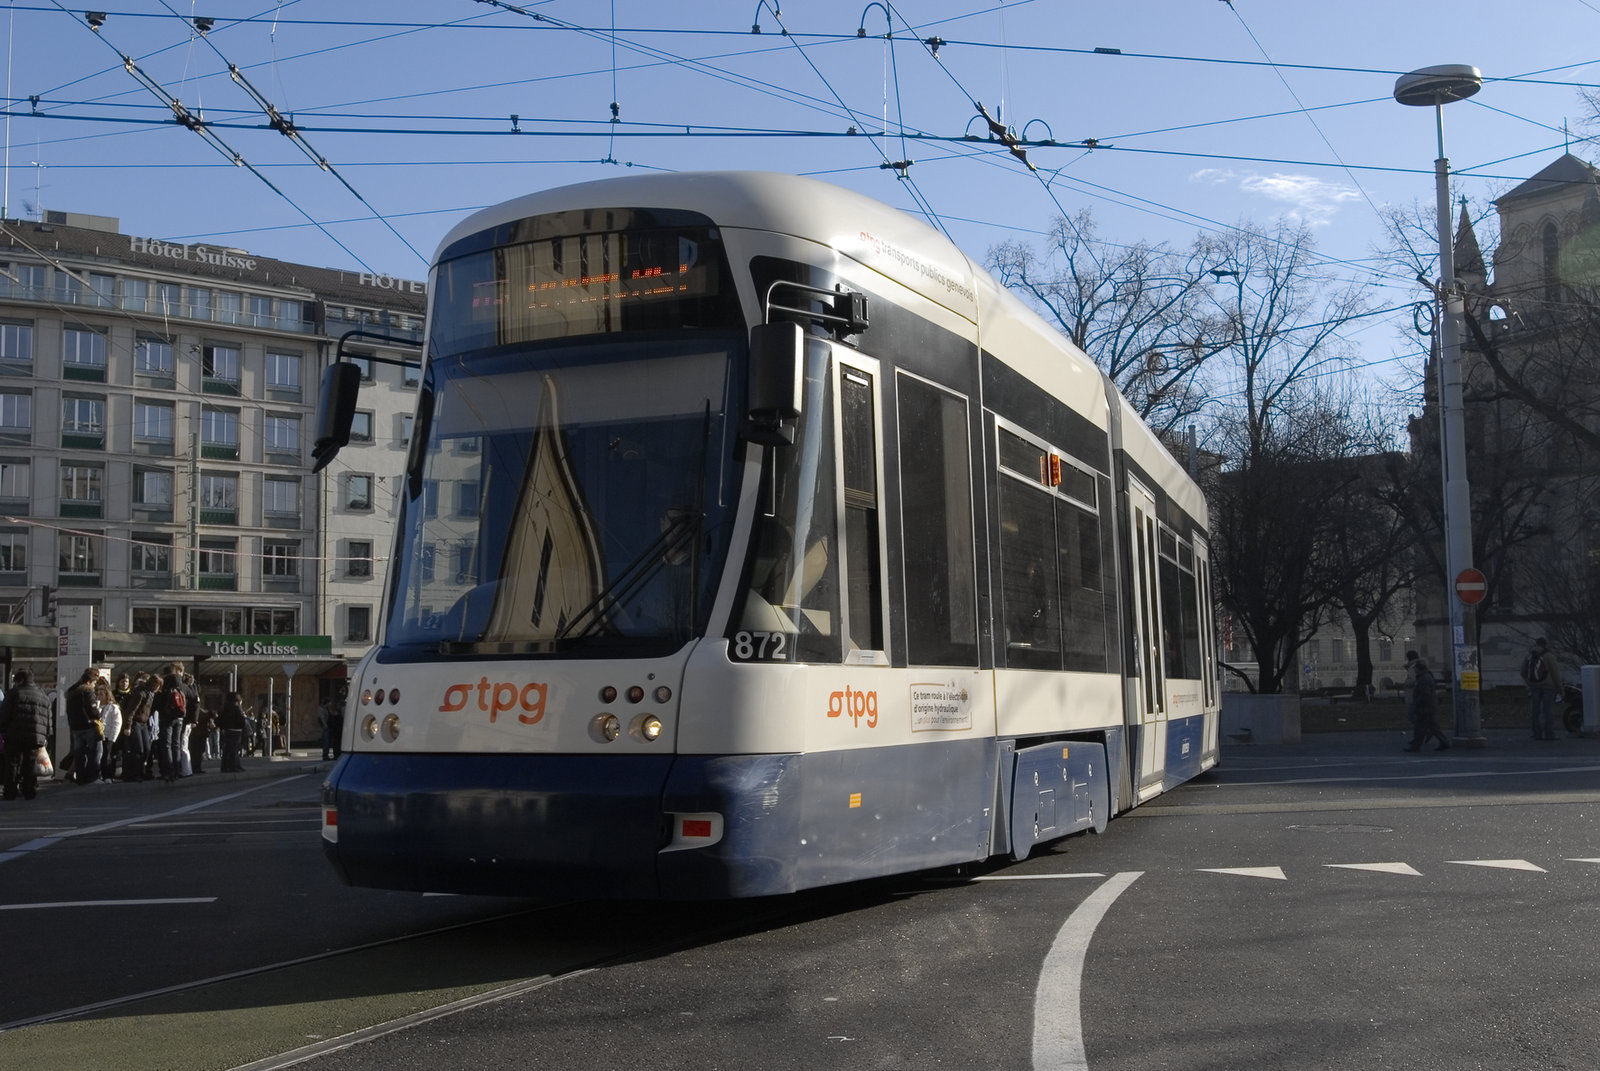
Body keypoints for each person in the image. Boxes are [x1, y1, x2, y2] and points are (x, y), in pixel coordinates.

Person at [0, 670, 51, 800]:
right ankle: (29, 791)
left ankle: (10, 792)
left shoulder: (13, 693)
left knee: (12, 763)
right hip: (35, 736)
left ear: (21, 680)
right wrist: (46, 734)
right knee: (31, 763)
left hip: (14, 734)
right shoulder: (42, 695)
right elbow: (48, 716)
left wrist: (3, 730)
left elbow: (4, 714)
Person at [1522, 637, 1566, 741]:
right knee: (1548, 711)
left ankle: (1537, 733)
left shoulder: (1529, 656)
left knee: (1535, 711)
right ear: (1545, 644)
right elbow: (1556, 674)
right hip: (1549, 688)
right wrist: (1561, 690)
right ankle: (1549, 734)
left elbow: (1522, 672)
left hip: (1534, 687)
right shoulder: (1549, 656)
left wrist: (1530, 683)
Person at [1404, 656, 1450, 752]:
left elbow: (1425, 694)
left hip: (1424, 707)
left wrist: (1417, 702)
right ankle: (1444, 742)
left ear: (1418, 668)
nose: (1414, 669)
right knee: (1433, 726)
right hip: (1428, 706)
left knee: (1419, 728)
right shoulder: (1426, 676)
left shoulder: (1423, 679)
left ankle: (1416, 746)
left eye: (1415, 668)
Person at [65, 668, 102, 785]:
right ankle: (92, 777)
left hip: (76, 727)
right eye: (94, 682)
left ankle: (80, 778)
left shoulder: (71, 693)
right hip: (88, 726)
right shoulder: (88, 691)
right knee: (96, 751)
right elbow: (92, 709)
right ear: (89, 682)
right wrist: (99, 714)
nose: (94, 685)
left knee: (79, 754)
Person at [123, 680, 154, 783]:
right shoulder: (140, 694)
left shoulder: (150, 695)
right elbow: (130, 711)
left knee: (147, 749)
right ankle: (133, 774)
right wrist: (128, 726)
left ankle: (141, 771)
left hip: (143, 723)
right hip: (135, 723)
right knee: (138, 749)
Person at [95, 678, 122, 783]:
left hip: (108, 735)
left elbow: (117, 723)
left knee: (108, 756)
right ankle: (100, 774)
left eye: (102, 694)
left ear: (107, 695)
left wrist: (112, 738)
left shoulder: (113, 707)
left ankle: (109, 776)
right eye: (98, 694)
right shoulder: (96, 706)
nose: (99, 696)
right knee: (99, 756)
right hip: (98, 735)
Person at [219, 692, 246, 773]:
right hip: (236, 731)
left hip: (228, 730)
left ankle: (224, 767)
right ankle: (233, 766)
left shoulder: (225, 707)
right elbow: (241, 721)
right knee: (234, 749)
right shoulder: (237, 708)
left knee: (227, 749)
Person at [1402, 650, 1419, 726]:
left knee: (1410, 714)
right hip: (1416, 694)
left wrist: (1406, 683)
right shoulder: (1418, 665)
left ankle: (1421, 728)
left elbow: (1412, 680)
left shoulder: (1412, 667)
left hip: (1412, 694)